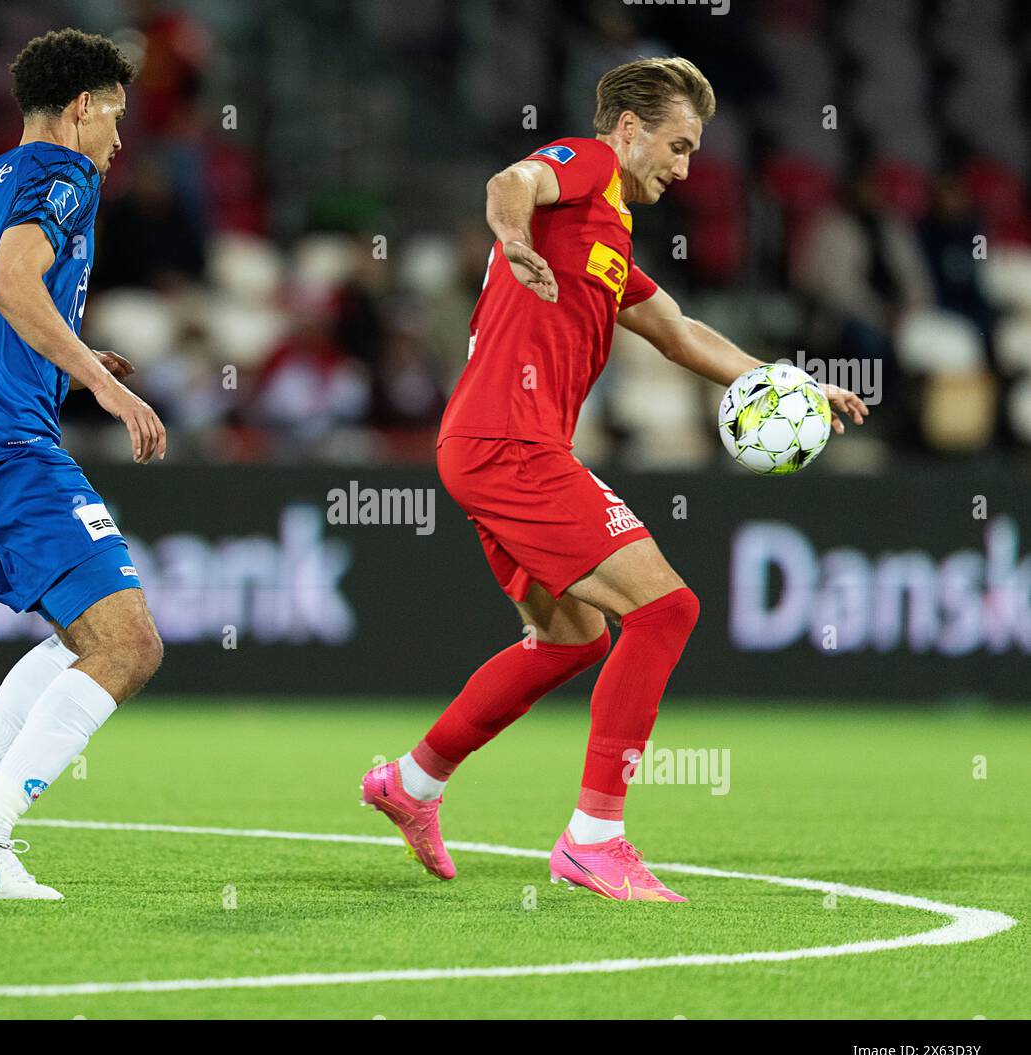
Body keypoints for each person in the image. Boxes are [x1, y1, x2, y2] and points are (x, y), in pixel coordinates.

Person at [362, 57, 867, 902]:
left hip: (495, 442)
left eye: (694, 150)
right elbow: (509, 181)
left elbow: (676, 329)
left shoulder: (608, 236)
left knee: (574, 640)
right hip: (509, 442)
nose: (684, 166)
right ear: (628, 129)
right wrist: (515, 237)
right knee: (667, 608)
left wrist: (788, 382)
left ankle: (411, 783)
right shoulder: (587, 169)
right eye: (676, 144)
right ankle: (594, 837)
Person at [0, 29, 168, 901]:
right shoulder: (66, 173)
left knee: (80, 636)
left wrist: (70, 355)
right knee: (129, 643)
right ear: (82, 108)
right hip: (2, 440)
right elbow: (15, 284)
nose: (119, 141)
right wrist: (100, 385)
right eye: (115, 117)